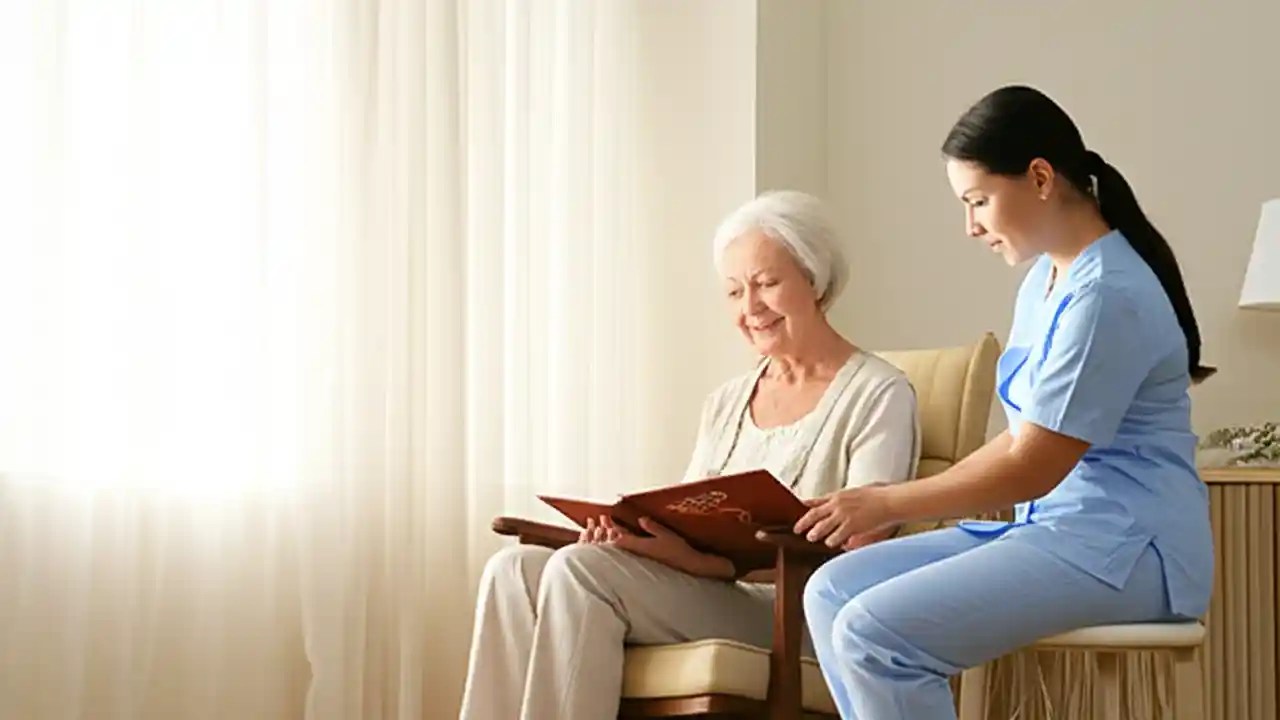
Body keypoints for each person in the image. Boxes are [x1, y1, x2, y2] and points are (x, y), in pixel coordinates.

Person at [798, 85, 1215, 720]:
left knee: (874, 634)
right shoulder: (1046, 278)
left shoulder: (1106, 296)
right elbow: (1024, 438)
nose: (970, 227)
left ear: (1041, 178)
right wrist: (883, 502)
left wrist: (888, 502)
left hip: (1130, 550)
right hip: (1057, 531)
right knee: (831, 590)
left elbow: (1033, 466)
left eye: (978, 201)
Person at [458, 190, 921, 720]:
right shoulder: (726, 401)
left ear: (814, 280)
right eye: (734, 291)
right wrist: (644, 542)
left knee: (581, 571)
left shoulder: (878, 392)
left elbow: (862, 546)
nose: (750, 307)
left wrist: (718, 562)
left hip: (795, 611)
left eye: (767, 283)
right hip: (708, 589)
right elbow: (690, 522)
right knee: (513, 570)